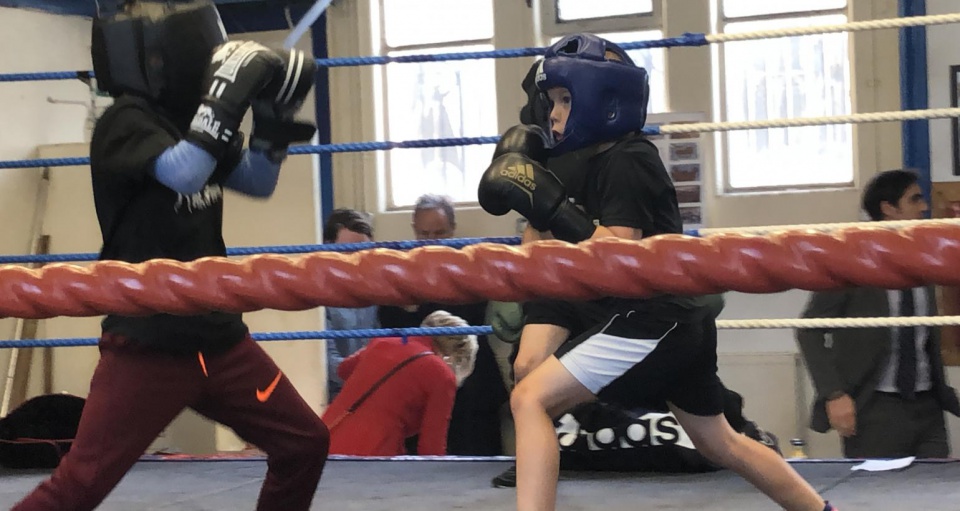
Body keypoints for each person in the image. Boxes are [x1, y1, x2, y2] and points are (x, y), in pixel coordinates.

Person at [477, 33, 838, 511]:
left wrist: (555, 205)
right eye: (553, 101)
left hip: (652, 317)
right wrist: (536, 202)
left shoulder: (629, 158)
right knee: (718, 442)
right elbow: (540, 263)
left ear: (602, 100)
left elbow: (618, 253)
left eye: (566, 99)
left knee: (531, 401)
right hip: (652, 318)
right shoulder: (571, 162)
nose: (555, 112)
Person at [12, 2, 328, 510]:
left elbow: (256, 181)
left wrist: (271, 125)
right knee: (80, 485)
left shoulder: (192, 118)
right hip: (148, 342)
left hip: (220, 340)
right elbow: (184, 172)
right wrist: (223, 105)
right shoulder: (125, 121)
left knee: (305, 442)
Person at [796, 169, 960, 458]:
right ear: (888, 209)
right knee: (876, 495)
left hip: (929, 407)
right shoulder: (851, 260)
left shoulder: (925, 260)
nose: (924, 207)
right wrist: (834, 394)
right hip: (875, 408)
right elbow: (809, 329)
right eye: (915, 200)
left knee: (936, 495)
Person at [378, 193, 510, 456]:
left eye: (439, 232)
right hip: (424, 375)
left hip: (471, 377)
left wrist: (419, 307)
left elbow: (472, 317)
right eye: (425, 233)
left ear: (452, 230)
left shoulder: (469, 265)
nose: (432, 241)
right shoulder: (402, 269)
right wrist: (408, 308)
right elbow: (390, 326)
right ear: (415, 231)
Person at [322, 311, 478, 456]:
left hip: (327, 437)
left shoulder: (383, 341)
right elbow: (431, 447)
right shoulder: (441, 374)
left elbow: (343, 370)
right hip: (373, 452)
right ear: (455, 356)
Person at [322, 208, 380, 401]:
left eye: (363, 252)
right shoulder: (318, 292)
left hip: (374, 391)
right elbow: (326, 363)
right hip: (333, 398)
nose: (356, 260)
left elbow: (382, 344)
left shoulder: (377, 290)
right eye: (348, 252)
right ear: (328, 247)